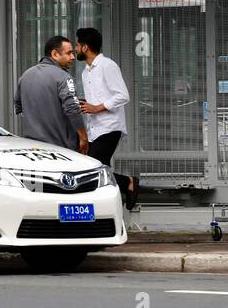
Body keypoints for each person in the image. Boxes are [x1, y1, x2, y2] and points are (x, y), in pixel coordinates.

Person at [75, 27, 138, 208]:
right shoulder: (85, 72)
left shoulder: (107, 65)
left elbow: (123, 95)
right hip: (94, 129)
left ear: (85, 47)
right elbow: (99, 98)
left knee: (91, 169)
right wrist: (86, 104)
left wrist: (96, 108)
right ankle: (108, 204)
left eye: (77, 45)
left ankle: (129, 183)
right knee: (99, 170)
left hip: (110, 127)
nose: (76, 48)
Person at [13, 36, 88, 155]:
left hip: (33, 148)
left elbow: (18, 107)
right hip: (61, 149)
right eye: (69, 53)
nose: (73, 57)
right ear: (54, 54)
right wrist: (84, 138)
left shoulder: (26, 75)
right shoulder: (64, 77)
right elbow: (72, 109)